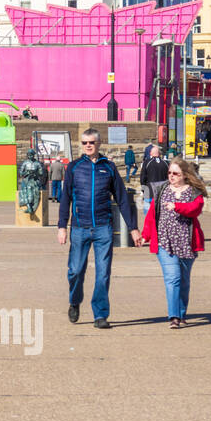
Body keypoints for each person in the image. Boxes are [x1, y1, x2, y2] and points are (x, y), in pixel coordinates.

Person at [58, 129, 142, 328]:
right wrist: (62, 226)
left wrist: (133, 228)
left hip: (104, 228)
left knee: (103, 272)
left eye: (92, 143)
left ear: (99, 144)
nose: (88, 145)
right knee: (76, 270)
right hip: (80, 227)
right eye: (85, 142)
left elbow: (122, 199)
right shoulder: (74, 167)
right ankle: (75, 300)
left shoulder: (109, 167)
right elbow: (66, 198)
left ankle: (100, 315)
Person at [140, 158, 207, 328]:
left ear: (184, 175)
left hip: (186, 242)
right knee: (173, 278)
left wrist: (177, 206)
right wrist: (145, 235)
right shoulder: (162, 190)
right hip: (165, 240)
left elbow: (195, 209)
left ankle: (182, 313)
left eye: (175, 173)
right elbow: (152, 216)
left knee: (184, 281)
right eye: (169, 173)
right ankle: (174, 317)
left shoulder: (193, 193)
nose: (171, 176)